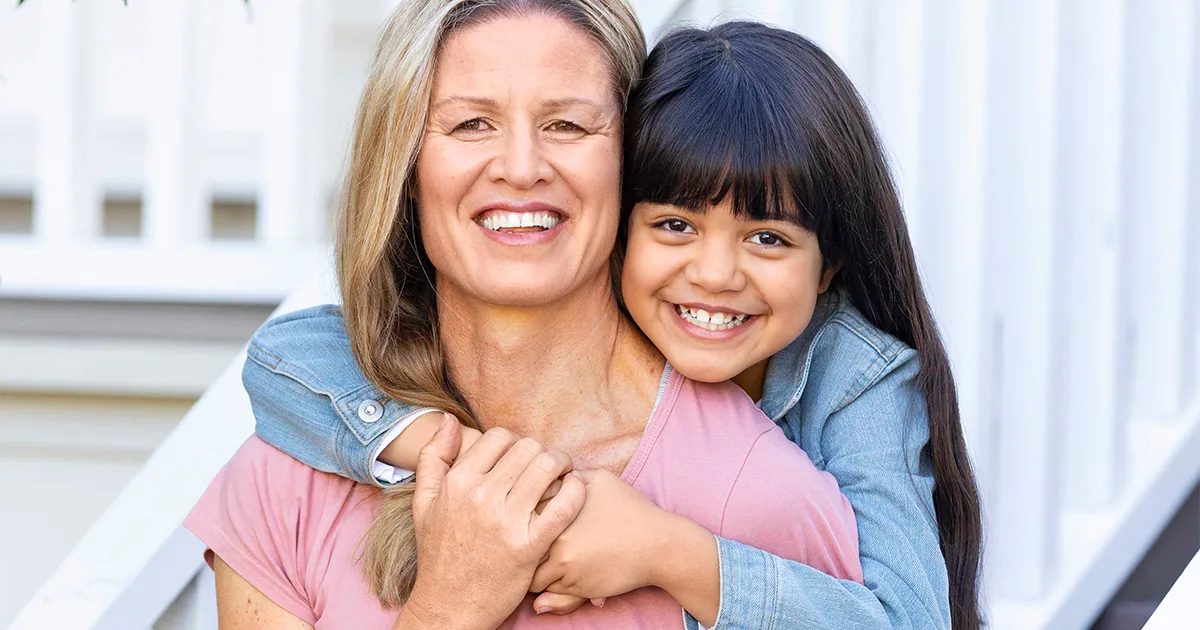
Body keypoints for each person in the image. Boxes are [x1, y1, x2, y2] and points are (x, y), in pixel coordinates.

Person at [238, 11, 985, 630]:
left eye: (566, 124)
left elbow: (910, 617)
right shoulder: (292, 460)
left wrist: (670, 552)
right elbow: (280, 358)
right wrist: (459, 462)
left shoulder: (846, 399)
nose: (716, 274)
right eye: (675, 227)